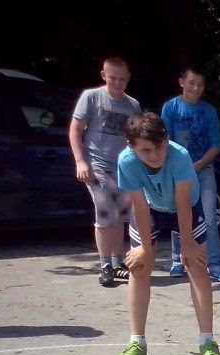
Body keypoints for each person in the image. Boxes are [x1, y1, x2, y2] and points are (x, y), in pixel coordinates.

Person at [114, 112, 220, 355]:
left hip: (185, 207)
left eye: (159, 147)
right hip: (150, 210)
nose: (154, 155)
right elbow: (139, 206)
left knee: (196, 264)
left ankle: (207, 341)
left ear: (166, 138)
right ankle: (136, 342)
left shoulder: (179, 156)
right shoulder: (126, 161)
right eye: (146, 150)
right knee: (139, 267)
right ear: (132, 147)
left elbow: (183, 202)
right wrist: (145, 249)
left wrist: (186, 243)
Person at [68, 57, 141, 287]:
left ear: (128, 78)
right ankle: (105, 265)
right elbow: (75, 130)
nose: (117, 83)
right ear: (103, 75)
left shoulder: (133, 105)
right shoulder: (92, 97)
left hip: (122, 168)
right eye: (112, 78)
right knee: (105, 211)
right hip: (97, 165)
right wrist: (80, 161)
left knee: (120, 214)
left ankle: (118, 263)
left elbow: (135, 138)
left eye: (122, 79)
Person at [161, 65, 220, 281]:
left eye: (200, 84)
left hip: (204, 170)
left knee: (209, 218)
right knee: (178, 214)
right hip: (176, 171)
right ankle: (177, 260)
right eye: (192, 83)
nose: (196, 88)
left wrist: (199, 164)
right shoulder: (170, 108)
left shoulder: (209, 111)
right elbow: (164, 140)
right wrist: (178, 167)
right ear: (182, 82)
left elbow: (216, 144)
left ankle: (215, 264)